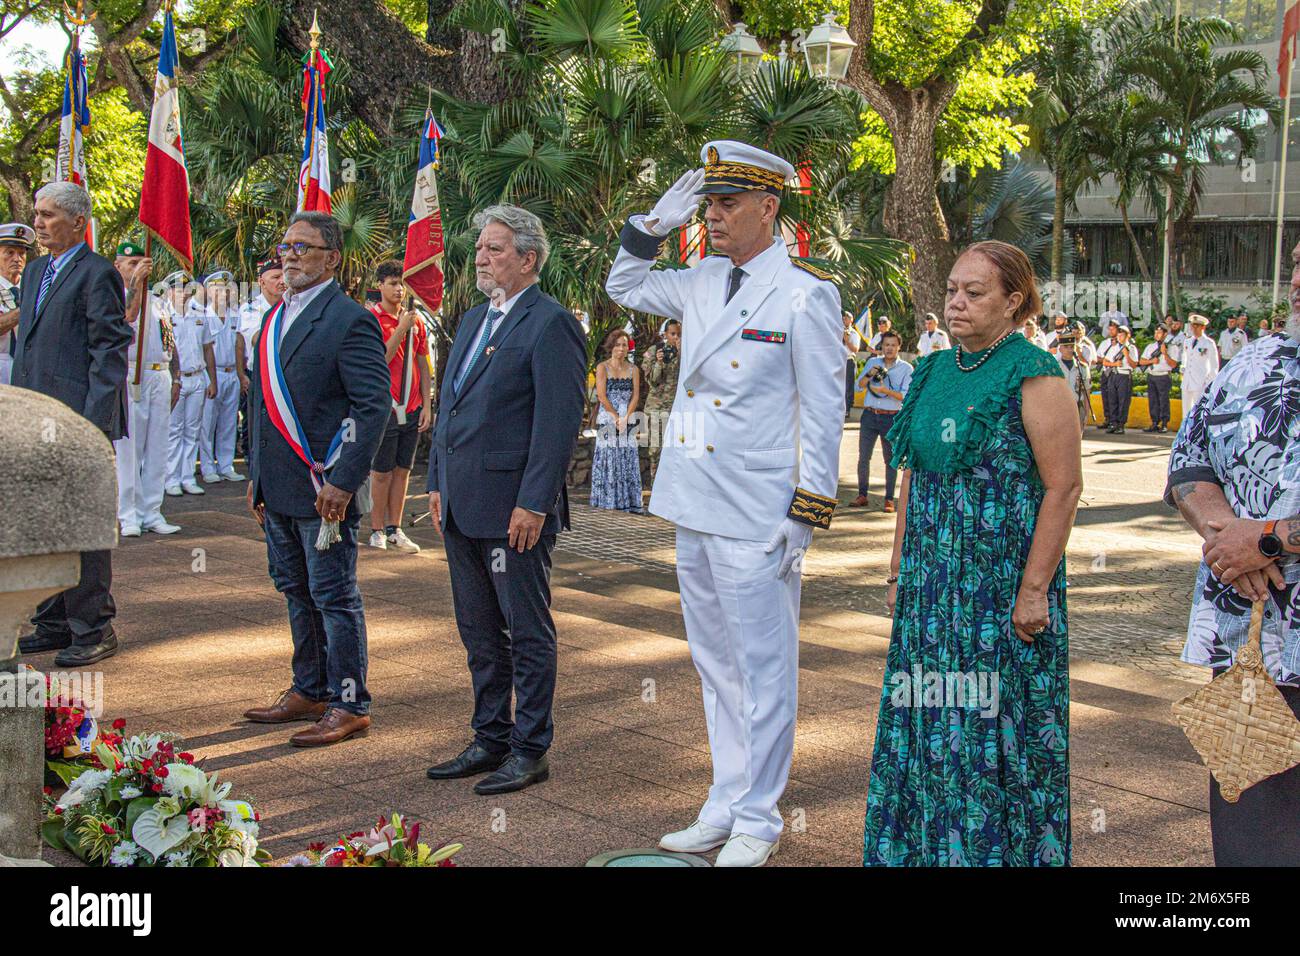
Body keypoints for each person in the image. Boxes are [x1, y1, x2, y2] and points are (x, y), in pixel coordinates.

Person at [606, 141, 845, 866]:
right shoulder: (701, 279)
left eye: (727, 203)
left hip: (759, 509)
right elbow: (624, 284)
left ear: (768, 209)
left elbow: (824, 411)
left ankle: (760, 820)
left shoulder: (807, 292)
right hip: (696, 499)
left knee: (764, 669)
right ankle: (724, 798)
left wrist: (807, 512)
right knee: (716, 666)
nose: (712, 215)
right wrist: (652, 223)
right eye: (708, 203)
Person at [863, 239, 1081, 866]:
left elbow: (1064, 487)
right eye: (953, 290)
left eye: (974, 292)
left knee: (991, 726)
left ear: (1014, 302)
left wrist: (1035, 588)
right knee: (927, 713)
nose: (956, 302)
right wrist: (899, 568)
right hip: (932, 588)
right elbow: (912, 476)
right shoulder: (932, 371)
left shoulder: (1035, 374)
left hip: (1000, 589)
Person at [424, 204, 586, 796]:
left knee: (525, 629)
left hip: (516, 510)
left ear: (528, 258)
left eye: (495, 249)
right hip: (462, 502)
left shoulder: (551, 323)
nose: (481, 258)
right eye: (480, 248)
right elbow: (449, 407)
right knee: (478, 629)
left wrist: (535, 502)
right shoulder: (472, 320)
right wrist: (437, 478)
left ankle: (529, 747)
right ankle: (488, 735)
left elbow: (557, 423)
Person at [1164, 250, 1300, 864]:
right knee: (1250, 833)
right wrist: (1229, 540)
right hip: (1247, 642)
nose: (1295, 279)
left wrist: (1266, 539)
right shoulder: (1251, 359)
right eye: (1296, 262)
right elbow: (1186, 462)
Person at [241, 212, 391, 747]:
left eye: (303, 247)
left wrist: (346, 480)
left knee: (334, 595)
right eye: (285, 246)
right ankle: (309, 687)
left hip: (324, 486)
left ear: (332, 258)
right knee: (295, 591)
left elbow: (372, 407)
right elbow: (259, 407)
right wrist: (256, 480)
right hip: (277, 487)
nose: (290, 255)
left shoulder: (350, 319)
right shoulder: (273, 318)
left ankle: (349, 701)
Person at [12, 182, 132, 667]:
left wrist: (91, 426)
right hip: (36, 418)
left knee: (82, 527)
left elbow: (109, 351)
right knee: (43, 524)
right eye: (37, 214)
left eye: (47, 215)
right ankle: (54, 619)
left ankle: (94, 626)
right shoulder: (36, 270)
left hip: (76, 421)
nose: (38, 223)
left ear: (78, 221)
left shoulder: (98, 273)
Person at [113, 241, 181, 536]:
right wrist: (135, 283)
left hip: (159, 374)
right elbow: (127, 317)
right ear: (117, 266)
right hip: (130, 373)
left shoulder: (158, 300)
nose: (138, 268)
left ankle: (151, 510)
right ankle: (127, 514)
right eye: (130, 263)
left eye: (142, 262)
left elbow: (170, 341)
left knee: (157, 445)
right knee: (129, 448)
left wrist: (176, 378)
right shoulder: (117, 295)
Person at [366, 260, 432, 553]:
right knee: (381, 471)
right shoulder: (372, 319)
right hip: (386, 405)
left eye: (401, 284)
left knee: (403, 470)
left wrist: (427, 405)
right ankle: (377, 528)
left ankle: (396, 527)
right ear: (380, 285)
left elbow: (422, 362)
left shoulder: (416, 321)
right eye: (392, 283)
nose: (398, 290)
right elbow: (380, 357)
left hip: (413, 404)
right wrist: (401, 328)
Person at [165, 273, 216, 495]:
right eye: (177, 288)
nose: (182, 293)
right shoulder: (164, 315)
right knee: (174, 430)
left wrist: (212, 380)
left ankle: (187, 477)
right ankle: (171, 478)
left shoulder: (199, 315)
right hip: (177, 378)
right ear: (169, 292)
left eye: (186, 288)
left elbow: (207, 348)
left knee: (192, 430)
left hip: (197, 376)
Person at [851, 329, 912, 512]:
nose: (889, 348)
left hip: (891, 417)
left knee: (890, 459)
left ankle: (889, 499)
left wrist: (886, 391)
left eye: (893, 345)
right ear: (881, 346)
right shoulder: (872, 362)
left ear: (899, 347)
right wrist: (870, 374)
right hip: (870, 415)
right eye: (886, 345)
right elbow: (858, 387)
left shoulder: (906, 369)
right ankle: (862, 495)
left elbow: (905, 396)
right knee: (864, 457)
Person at [197, 271, 244, 483]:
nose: (222, 293)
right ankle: (207, 468)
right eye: (217, 289)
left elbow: (238, 345)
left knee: (229, 422)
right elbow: (203, 350)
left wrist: (241, 375)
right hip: (212, 374)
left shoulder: (235, 315)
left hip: (231, 372)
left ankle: (226, 464)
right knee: (207, 423)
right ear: (208, 291)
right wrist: (209, 379)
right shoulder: (203, 315)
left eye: (225, 289)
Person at [236, 256, 285, 460]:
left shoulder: (292, 304)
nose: (282, 280)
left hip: (285, 374)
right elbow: (258, 339)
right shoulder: (250, 308)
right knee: (257, 426)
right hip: (262, 375)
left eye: (283, 275)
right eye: (275, 277)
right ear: (262, 282)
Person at [591, 329, 644, 513]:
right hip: (608, 415)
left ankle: (629, 501)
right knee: (609, 457)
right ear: (611, 346)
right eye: (618, 344)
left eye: (624, 345)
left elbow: (636, 396)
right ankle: (607, 499)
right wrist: (615, 417)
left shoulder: (633, 369)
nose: (621, 348)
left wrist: (627, 417)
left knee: (628, 456)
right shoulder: (602, 367)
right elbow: (601, 396)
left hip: (627, 415)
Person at [641, 318, 681, 480]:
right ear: (665, 334)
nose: (676, 337)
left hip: (679, 407)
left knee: (678, 449)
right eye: (672, 334)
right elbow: (653, 381)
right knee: (656, 450)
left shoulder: (686, 351)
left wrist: (682, 354)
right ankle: (656, 486)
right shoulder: (654, 350)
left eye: (679, 334)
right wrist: (659, 362)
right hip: (657, 408)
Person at [0, 222, 35, 385]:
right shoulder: (33, 295)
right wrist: (27, 308)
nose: (17, 259)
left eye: (22, 253)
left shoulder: (33, 288)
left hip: (30, 367)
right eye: (9, 252)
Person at [1139, 323, 1175, 433]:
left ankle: (1164, 423)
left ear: (1165, 334)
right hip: (1152, 375)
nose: (1156, 334)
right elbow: (1141, 361)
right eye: (1156, 332)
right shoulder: (1151, 347)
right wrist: (1151, 361)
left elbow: (1173, 364)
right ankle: (1154, 422)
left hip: (1163, 375)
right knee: (1153, 400)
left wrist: (1165, 354)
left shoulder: (1171, 347)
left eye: (1159, 332)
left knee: (1163, 400)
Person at [1181, 313, 1220, 411]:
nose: (1194, 329)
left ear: (1203, 327)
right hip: (1187, 381)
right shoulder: (1188, 341)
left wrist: (1208, 383)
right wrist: (1183, 368)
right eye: (1192, 326)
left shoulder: (1208, 343)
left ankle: (1198, 427)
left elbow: (1214, 365)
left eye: (1197, 326)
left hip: (1200, 381)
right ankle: (1186, 427)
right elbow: (1185, 357)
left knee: (1199, 410)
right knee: (1186, 410)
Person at [1105, 325, 1138, 434]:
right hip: (1114, 374)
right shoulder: (1114, 347)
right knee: (1112, 400)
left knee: (1123, 401)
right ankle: (1113, 423)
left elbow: (1134, 365)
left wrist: (1127, 355)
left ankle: (1121, 424)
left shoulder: (1131, 348)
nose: (1119, 337)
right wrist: (1114, 363)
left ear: (1128, 335)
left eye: (1122, 335)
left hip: (1124, 375)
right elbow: (1105, 362)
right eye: (1118, 335)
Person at [1056, 331, 1090, 434]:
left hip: (1077, 406)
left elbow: (1087, 391)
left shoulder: (1082, 367)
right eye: (1066, 347)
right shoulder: (1055, 367)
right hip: (1060, 406)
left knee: (1077, 439)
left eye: (1072, 346)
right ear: (1060, 349)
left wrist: (1087, 413)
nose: (1070, 349)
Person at [1096, 319, 1123, 430]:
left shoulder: (1121, 343)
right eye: (1110, 329)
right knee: (1105, 397)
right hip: (1105, 371)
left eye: (1114, 329)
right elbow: (1098, 358)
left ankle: (1115, 420)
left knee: (1115, 399)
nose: (1111, 331)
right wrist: (1106, 360)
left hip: (1115, 373)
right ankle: (1108, 418)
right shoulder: (1105, 343)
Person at [841, 310, 863, 414]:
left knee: (848, 385)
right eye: (843, 318)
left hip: (848, 360)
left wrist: (847, 340)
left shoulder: (854, 334)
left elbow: (855, 349)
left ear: (851, 320)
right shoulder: (837, 330)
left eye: (847, 317)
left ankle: (847, 408)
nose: (845, 319)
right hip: (838, 360)